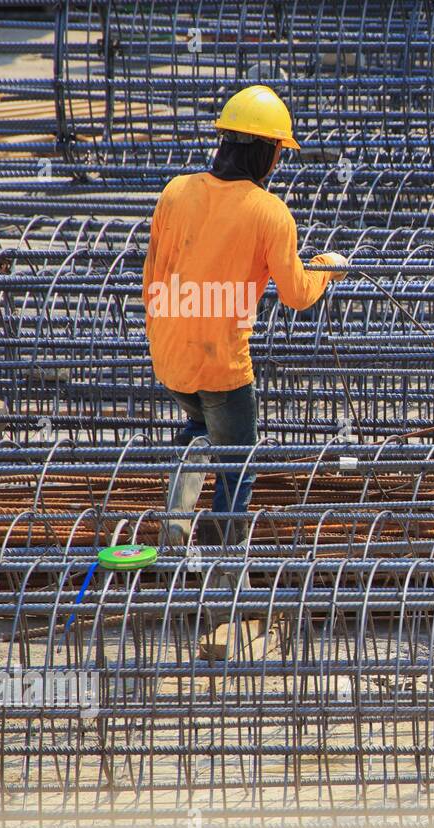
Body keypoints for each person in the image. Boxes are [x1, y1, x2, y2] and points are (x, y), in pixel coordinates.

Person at [143, 85, 348, 547]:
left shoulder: (175, 192)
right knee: (239, 464)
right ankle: (221, 565)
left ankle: (178, 511)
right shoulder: (269, 213)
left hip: (171, 356)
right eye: (278, 150)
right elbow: (296, 294)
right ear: (267, 152)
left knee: (202, 425)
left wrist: (166, 331)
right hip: (222, 366)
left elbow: (152, 278)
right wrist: (328, 269)